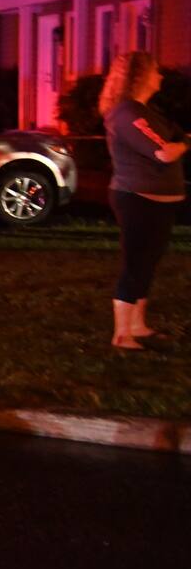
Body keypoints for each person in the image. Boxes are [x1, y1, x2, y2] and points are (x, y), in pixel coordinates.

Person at [99, 51, 187, 349]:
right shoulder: (127, 114)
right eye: (155, 71)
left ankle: (138, 325)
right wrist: (185, 143)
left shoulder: (146, 112)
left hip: (158, 200)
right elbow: (164, 152)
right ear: (140, 76)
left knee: (148, 263)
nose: (160, 76)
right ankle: (122, 334)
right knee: (136, 264)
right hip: (138, 199)